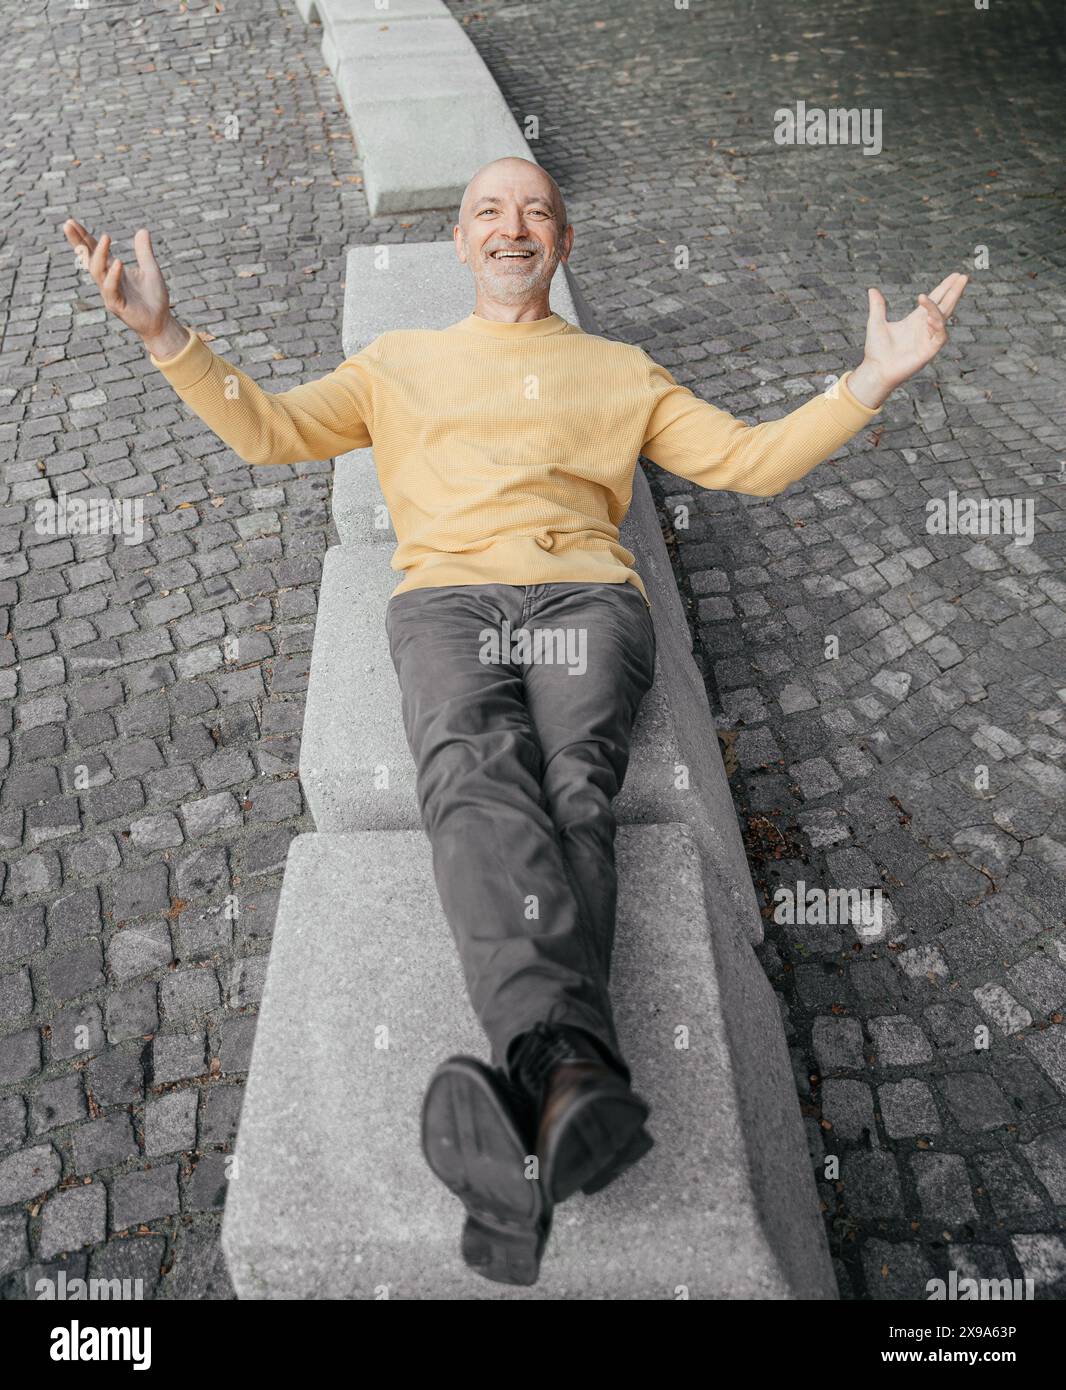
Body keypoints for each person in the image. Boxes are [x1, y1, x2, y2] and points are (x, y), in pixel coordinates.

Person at [62, 159, 967, 1287]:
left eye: (536, 209)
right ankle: (564, 1078)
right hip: (446, 599)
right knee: (475, 775)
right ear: (459, 241)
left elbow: (745, 461)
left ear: (563, 243)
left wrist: (867, 382)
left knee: (576, 781)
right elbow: (273, 433)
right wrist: (166, 335)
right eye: (489, 208)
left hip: (587, 597)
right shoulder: (399, 363)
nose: (512, 225)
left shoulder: (616, 370)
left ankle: (541, 1074)